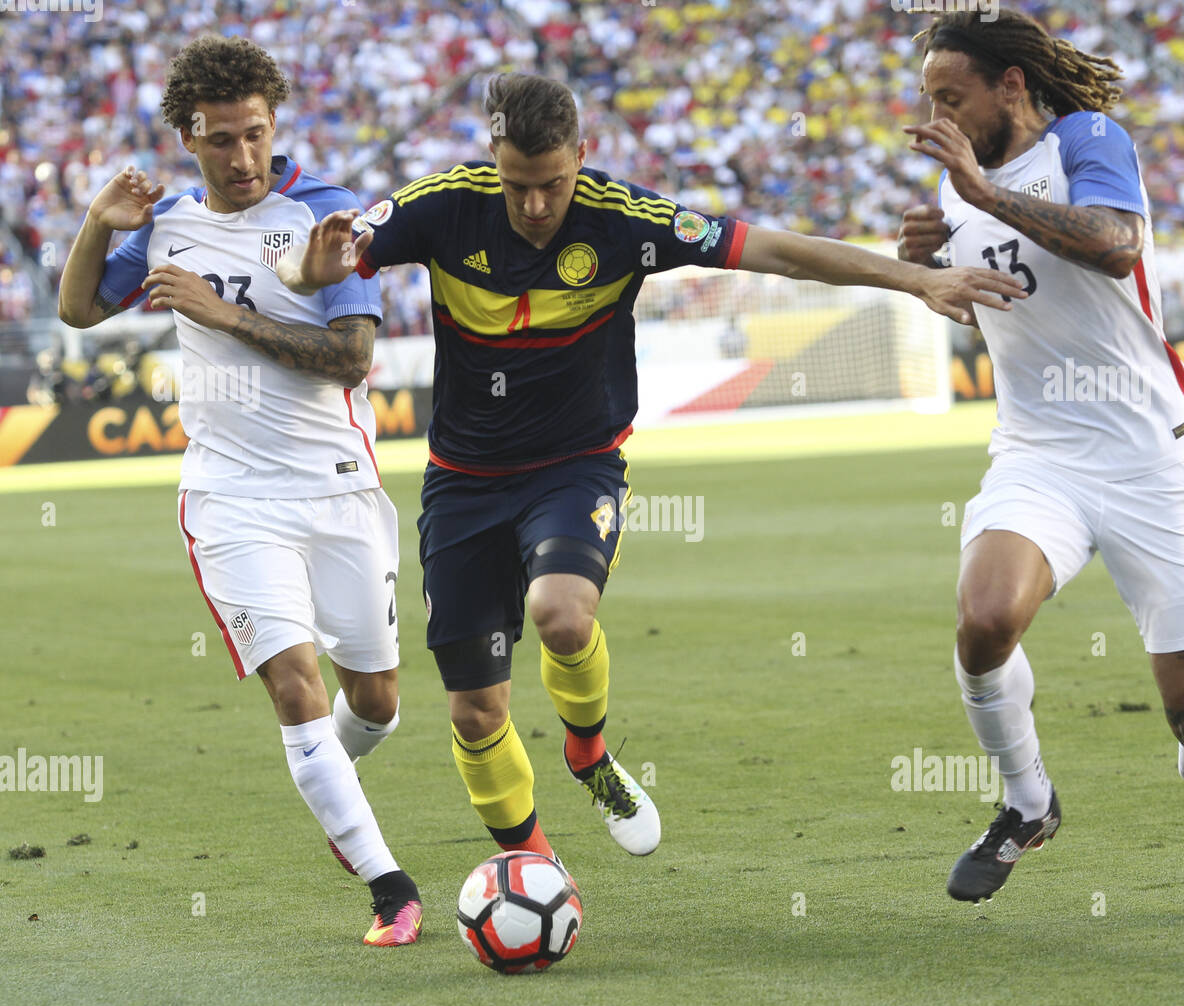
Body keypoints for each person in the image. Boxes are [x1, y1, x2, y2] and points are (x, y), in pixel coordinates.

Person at [278, 72, 1024, 868]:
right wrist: (312, 274)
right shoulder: (439, 206)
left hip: (575, 465)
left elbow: (775, 251)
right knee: (472, 711)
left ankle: (589, 754)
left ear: (583, 158)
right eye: (518, 185)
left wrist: (916, 278)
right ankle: (536, 866)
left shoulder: (625, 218)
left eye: (554, 184)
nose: (536, 206)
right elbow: (308, 272)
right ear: (493, 158)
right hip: (462, 479)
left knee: (562, 615)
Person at [57, 36, 422, 946]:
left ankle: (327, 780)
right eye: (222, 140)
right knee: (294, 687)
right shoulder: (167, 222)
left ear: (275, 124)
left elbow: (350, 358)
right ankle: (391, 887)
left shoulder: (327, 215)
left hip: (337, 487)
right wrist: (100, 224)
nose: (244, 157)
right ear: (191, 136)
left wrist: (226, 313)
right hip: (231, 497)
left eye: (256, 135)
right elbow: (78, 309)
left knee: (374, 699)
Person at [896, 8, 1184, 918]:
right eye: (927, 98)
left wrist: (978, 195)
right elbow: (1001, 310)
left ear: (1010, 85)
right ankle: (1027, 801)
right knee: (984, 621)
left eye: (952, 95)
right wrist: (940, 275)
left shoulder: (1087, 139)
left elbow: (1112, 244)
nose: (936, 115)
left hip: (1148, 458)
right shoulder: (959, 190)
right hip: (1039, 454)